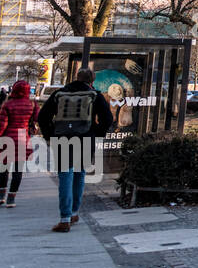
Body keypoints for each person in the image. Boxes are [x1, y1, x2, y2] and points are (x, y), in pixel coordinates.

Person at [36, 68, 113, 232]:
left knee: (65, 176)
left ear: (75, 77)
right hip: (85, 138)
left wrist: (50, 134)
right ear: (91, 80)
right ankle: (74, 212)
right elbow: (108, 118)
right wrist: (96, 132)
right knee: (80, 174)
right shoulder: (94, 95)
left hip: (62, 138)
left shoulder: (60, 94)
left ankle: (64, 218)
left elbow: (43, 116)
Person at [0, 80, 38, 208]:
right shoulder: (32, 104)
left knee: (3, 169)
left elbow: (2, 124)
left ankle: (1, 196)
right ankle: (11, 198)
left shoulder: (7, 105)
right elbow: (38, 118)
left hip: (7, 137)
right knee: (18, 170)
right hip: (22, 137)